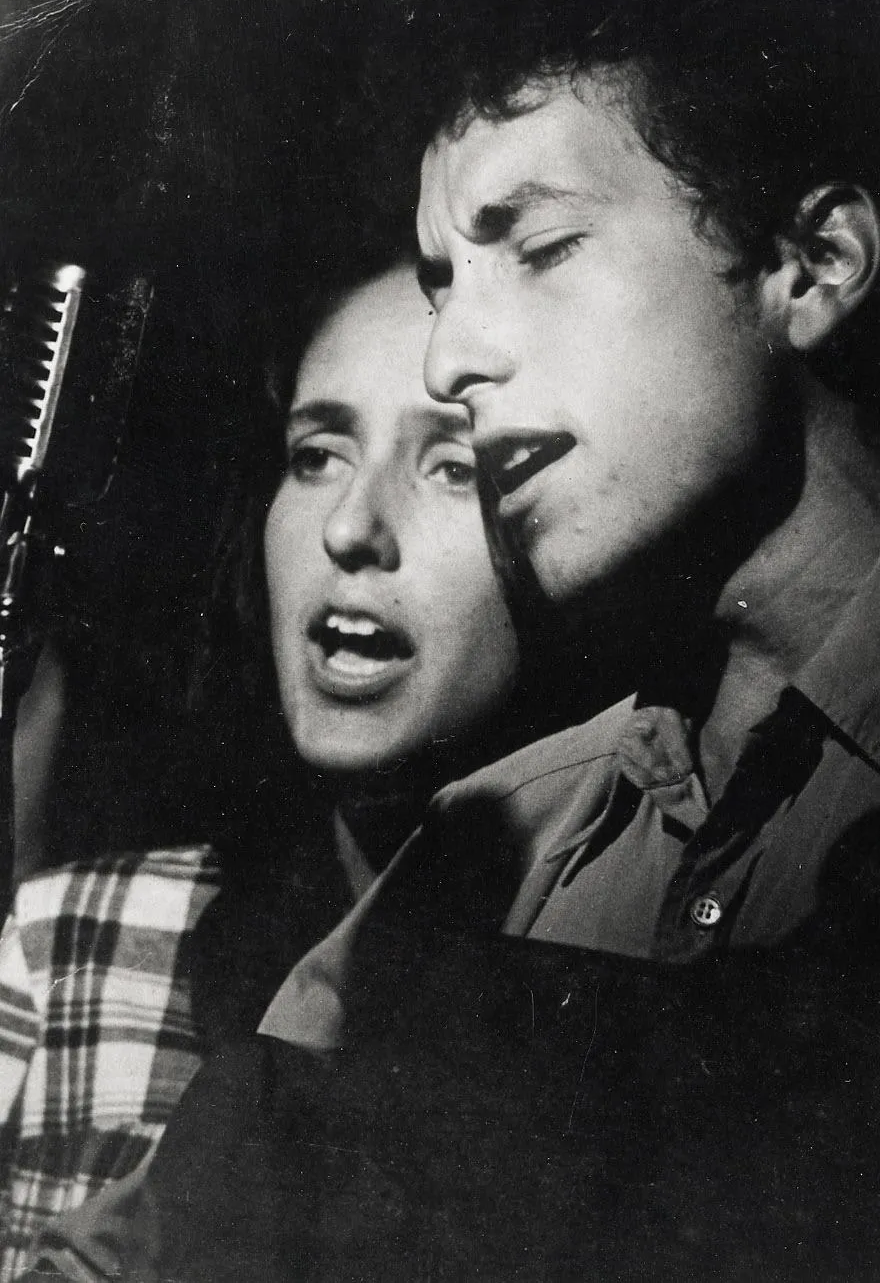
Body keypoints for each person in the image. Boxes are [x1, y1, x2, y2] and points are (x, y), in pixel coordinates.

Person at [20, 0, 880, 1278]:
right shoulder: (493, 842)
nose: (452, 361)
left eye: (540, 248)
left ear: (811, 264)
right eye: (446, 280)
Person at [0, 251, 537, 1280]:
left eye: (454, 465)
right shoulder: (82, 939)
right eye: (317, 453)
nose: (350, 527)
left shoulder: (643, 953)